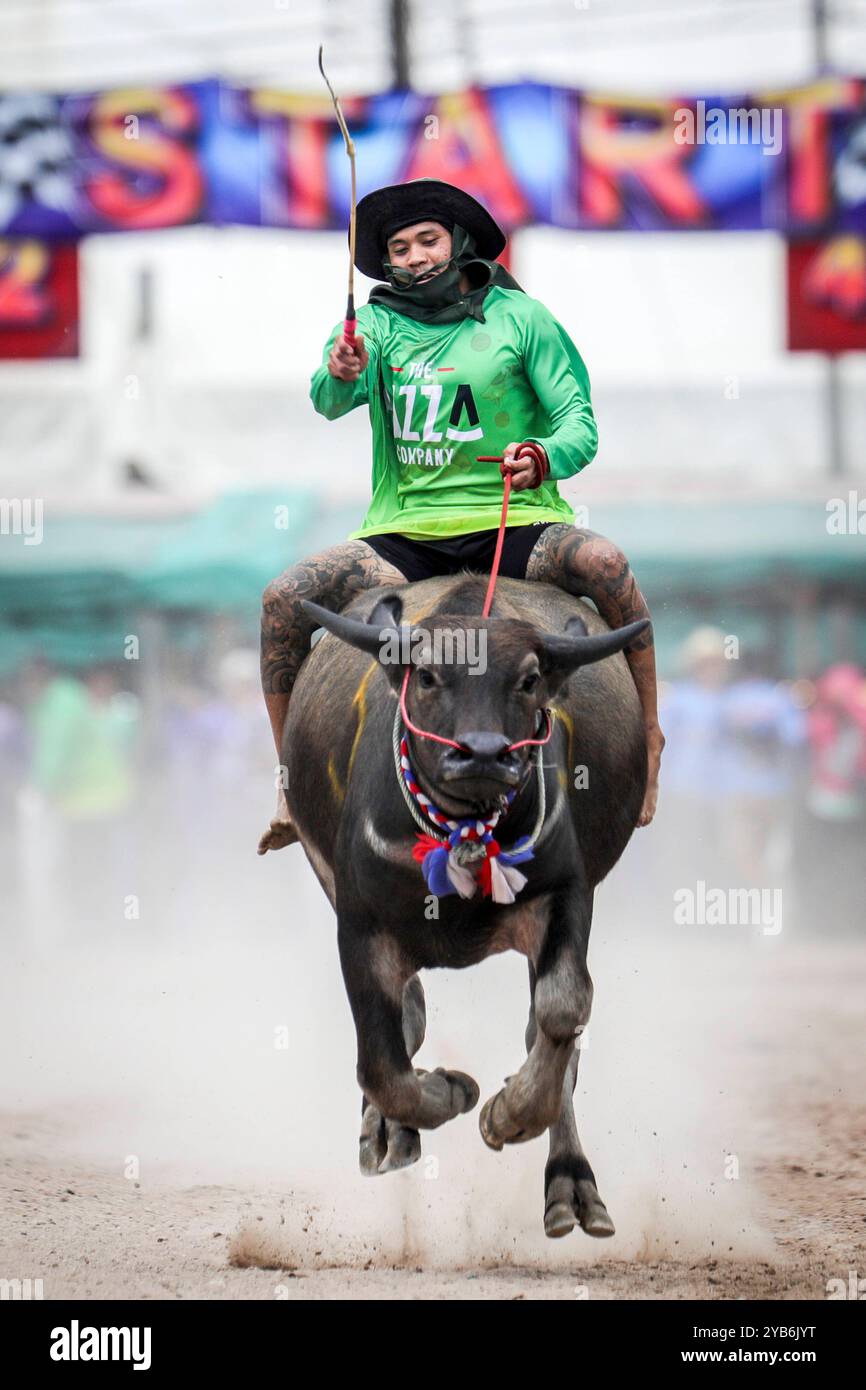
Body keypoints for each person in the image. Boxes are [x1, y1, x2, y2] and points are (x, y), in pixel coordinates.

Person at [258, 178, 664, 852]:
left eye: (427, 240)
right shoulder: (374, 326)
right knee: (282, 598)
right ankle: (288, 784)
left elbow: (579, 425)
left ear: (459, 243)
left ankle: (649, 733)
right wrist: (339, 368)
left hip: (516, 522)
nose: (414, 256)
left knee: (607, 565)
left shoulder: (523, 319)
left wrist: (542, 454)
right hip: (406, 533)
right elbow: (330, 400)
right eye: (399, 247)